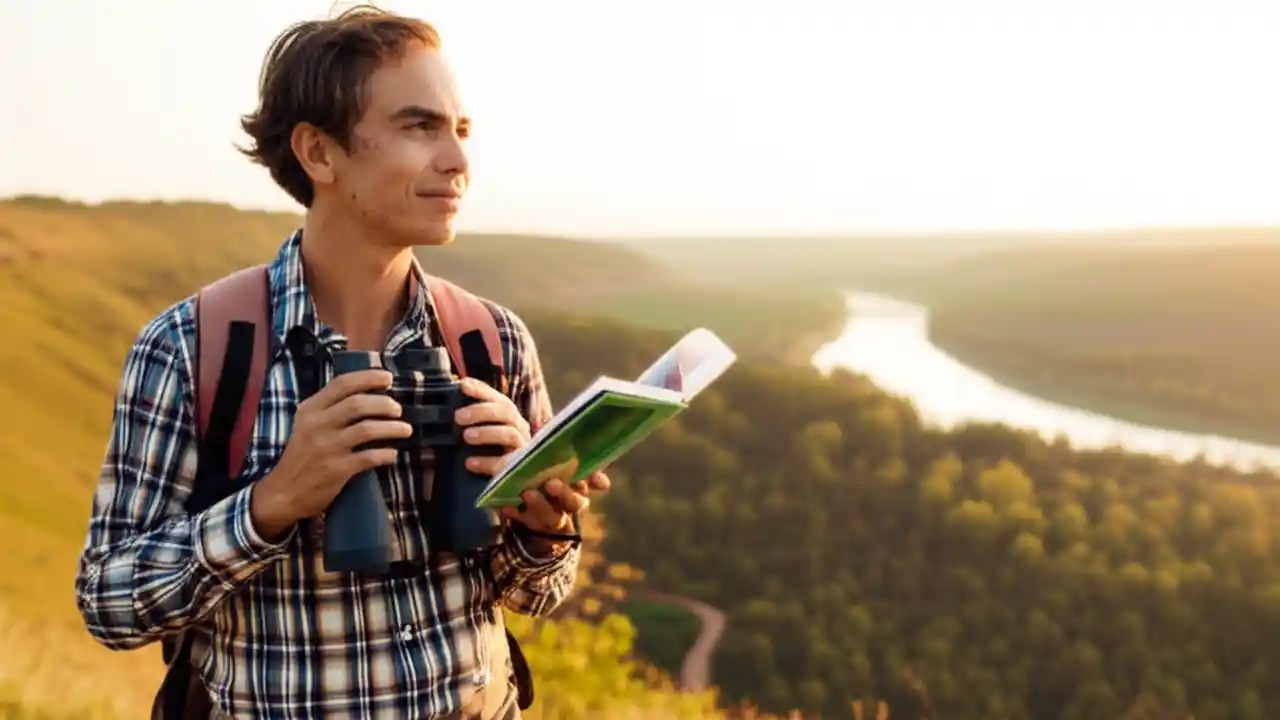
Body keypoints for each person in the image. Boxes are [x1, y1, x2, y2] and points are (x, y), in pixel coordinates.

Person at [73, 5, 608, 718]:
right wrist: (271, 504)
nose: (458, 160)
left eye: (461, 129)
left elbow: (534, 594)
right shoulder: (190, 350)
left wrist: (542, 527)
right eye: (419, 126)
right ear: (319, 153)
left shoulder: (491, 342)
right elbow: (109, 604)